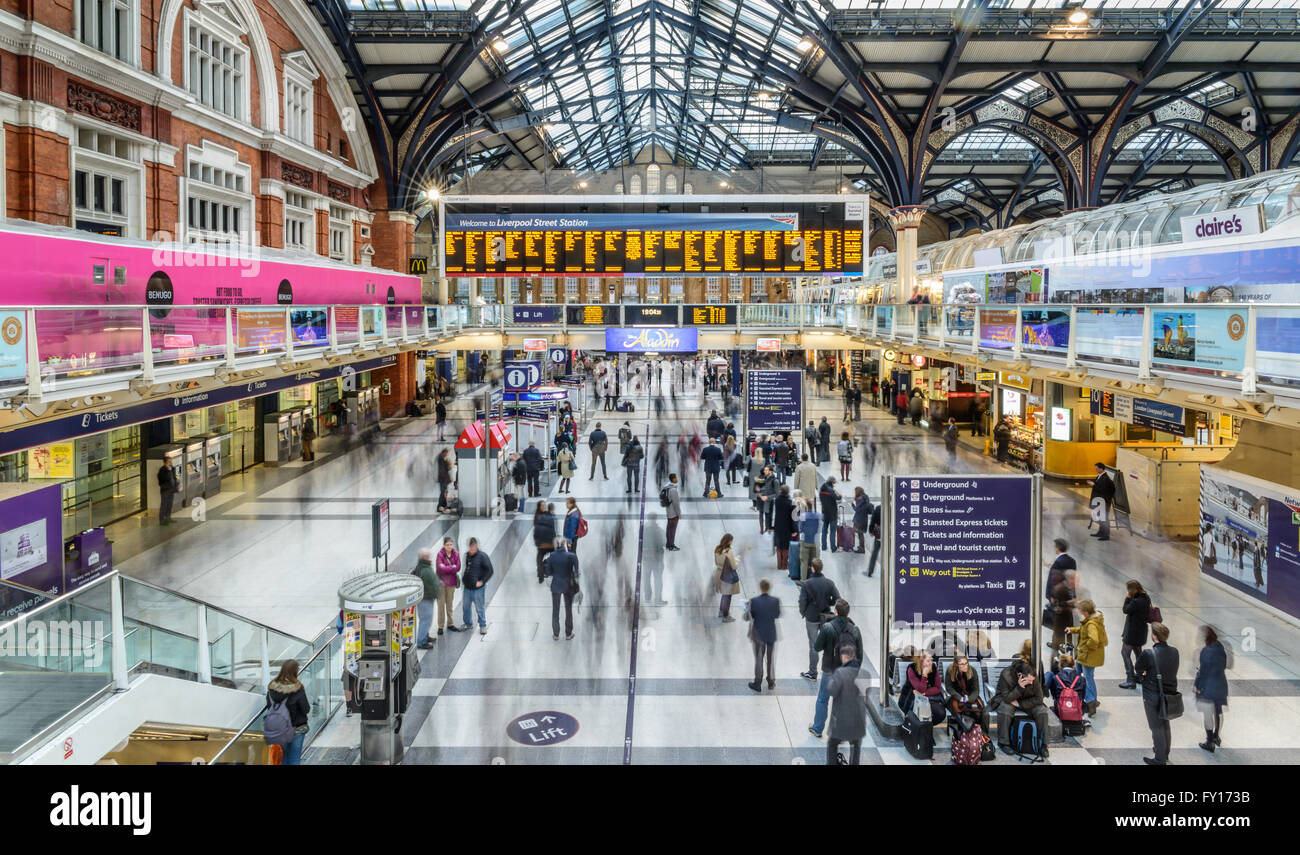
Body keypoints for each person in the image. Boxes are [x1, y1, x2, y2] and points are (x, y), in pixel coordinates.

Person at [810, 599, 864, 738]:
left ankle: (817, 729)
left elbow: (817, 647)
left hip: (829, 670)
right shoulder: (855, 629)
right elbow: (860, 654)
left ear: (836, 611)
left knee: (823, 699)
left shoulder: (828, 627)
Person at [992, 640, 1050, 757]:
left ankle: (1043, 744)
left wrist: (1020, 704)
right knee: (1005, 710)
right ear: (1020, 676)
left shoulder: (1032, 675)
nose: (1031, 682)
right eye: (1028, 680)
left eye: (1032, 680)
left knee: (1042, 711)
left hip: (1025, 701)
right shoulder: (1006, 675)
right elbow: (1007, 698)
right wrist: (1019, 687)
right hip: (1009, 698)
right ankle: (1004, 743)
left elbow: (1039, 699)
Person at [1134, 622, 1179, 765]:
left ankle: (1159, 759)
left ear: (1154, 636)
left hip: (1151, 694)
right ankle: (1164, 753)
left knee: (1155, 726)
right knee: (1165, 723)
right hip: (1169, 693)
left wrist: (1145, 673)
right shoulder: (1175, 651)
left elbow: (1138, 668)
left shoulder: (1148, 653)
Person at [798, 558, 840, 681]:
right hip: (826, 617)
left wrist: (804, 612)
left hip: (811, 618)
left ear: (812, 568)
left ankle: (812, 672)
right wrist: (829, 602)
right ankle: (829, 671)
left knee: (813, 645)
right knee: (828, 645)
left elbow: (802, 602)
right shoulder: (829, 583)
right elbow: (838, 598)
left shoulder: (807, 584)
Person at [825, 644, 866, 765]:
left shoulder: (840, 673)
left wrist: (830, 679)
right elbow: (866, 693)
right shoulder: (863, 673)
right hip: (858, 719)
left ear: (844, 657)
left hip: (842, 719)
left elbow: (832, 691)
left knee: (832, 744)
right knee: (856, 746)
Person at [267, 659, 311, 765]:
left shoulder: (272, 688)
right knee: (294, 759)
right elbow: (306, 709)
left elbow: (270, 708)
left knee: (283, 758)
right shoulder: (297, 688)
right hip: (297, 729)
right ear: (295, 671)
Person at [1194, 624, 1228, 752]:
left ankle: (1209, 741)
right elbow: (1224, 665)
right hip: (1221, 684)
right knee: (1218, 711)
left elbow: (1203, 671)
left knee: (1207, 713)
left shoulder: (1206, 651)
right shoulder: (1220, 647)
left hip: (1208, 687)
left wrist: (1198, 686)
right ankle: (1216, 736)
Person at [1069, 599, 1107, 716]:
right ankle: (1091, 700)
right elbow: (1083, 630)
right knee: (1078, 674)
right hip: (1084, 656)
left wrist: (1087, 646)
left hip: (1087, 656)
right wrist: (1072, 630)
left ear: (1085, 611)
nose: (1079, 611)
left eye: (1080, 609)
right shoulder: (1092, 619)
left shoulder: (1091, 624)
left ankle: (1091, 703)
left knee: (1088, 678)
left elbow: (1094, 639)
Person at [745, 578, 781, 693]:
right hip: (770, 632)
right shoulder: (775, 601)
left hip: (758, 634)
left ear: (760, 588)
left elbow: (747, 617)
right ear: (768, 588)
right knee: (770, 659)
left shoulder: (754, 601)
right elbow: (777, 615)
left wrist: (747, 608)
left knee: (759, 659)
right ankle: (771, 681)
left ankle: (758, 682)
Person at [542, 537, 580, 641]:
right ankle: (568, 633)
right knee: (568, 610)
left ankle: (556, 634)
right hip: (568, 586)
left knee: (555, 610)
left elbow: (548, 572)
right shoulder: (571, 556)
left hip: (556, 586)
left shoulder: (551, 557)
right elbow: (577, 572)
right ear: (564, 545)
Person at [1045, 538, 1077, 651]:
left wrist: (1049, 595)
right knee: (1068, 620)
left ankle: (1056, 644)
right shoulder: (1072, 561)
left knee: (1058, 622)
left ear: (1057, 548)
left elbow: (1052, 580)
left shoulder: (1058, 562)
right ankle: (1068, 643)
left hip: (1059, 595)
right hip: (1070, 595)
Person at [1118, 580, 1152, 690]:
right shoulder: (1146, 597)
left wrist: (1128, 598)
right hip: (1141, 632)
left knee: (1125, 653)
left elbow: (1125, 610)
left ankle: (1130, 679)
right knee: (1138, 653)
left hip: (1132, 632)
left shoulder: (1135, 601)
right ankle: (1140, 676)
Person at [944, 655, 990, 735]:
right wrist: (960, 698)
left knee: (981, 711)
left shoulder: (972, 671)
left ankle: (983, 734)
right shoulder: (950, 671)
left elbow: (976, 690)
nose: (965, 666)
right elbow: (949, 688)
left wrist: (969, 699)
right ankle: (962, 734)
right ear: (956, 665)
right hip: (956, 697)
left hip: (971, 696)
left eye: (966, 663)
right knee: (959, 709)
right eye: (962, 664)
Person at [459, 537, 492, 635]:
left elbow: (490, 571)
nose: (472, 548)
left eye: (473, 546)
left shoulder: (483, 556)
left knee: (479, 607)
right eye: (470, 546)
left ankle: (482, 625)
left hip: (478, 589)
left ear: (477, 546)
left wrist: (482, 581)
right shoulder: (467, 556)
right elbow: (464, 569)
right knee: (465, 607)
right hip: (467, 588)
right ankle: (468, 623)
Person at [905, 651, 947, 726]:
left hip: (930, 697)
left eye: (931, 659)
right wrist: (924, 675)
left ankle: (926, 727)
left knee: (941, 713)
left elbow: (938, 687)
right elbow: (920, 689)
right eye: (928, 660)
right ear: (921, 661)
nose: (931, 662)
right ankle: (922, 728)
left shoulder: (933, 667)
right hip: (913, 698)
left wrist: (925, 693)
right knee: (921, 711)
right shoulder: (911, 669)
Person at [1046, 652, 1088, 722]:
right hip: (1077, 709)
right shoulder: (1081, 679)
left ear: (1060, 665)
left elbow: (1054, 696)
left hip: (1060, 710)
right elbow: (1082, 696)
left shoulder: (1055, 678)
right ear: (1073, 665)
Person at [412, 548, 439, 649]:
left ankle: (425, 636)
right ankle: (421, 641)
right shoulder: (425, 569)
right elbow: (431, 585)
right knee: (426, 620)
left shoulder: (422, 566)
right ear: (426, 557)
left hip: (425, 598)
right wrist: (436, 593)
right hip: (426, 599)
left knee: (426, 619)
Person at [435, 537, 461, 634]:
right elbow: (440, 568)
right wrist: (452, 567)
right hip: (441, 584)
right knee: (441, 605)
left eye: (450, 544)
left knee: (449, 604)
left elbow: (458, 567)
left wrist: (446, 567)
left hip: (451, 584)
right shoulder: (440, 554)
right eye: (447, 545)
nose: (449, 546)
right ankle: (440, 626)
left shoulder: (456, 554)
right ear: (444, 545)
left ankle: (450, 624)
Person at [714, 533, 740, 622]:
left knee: (724, 594)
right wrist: (738, 560)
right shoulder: (729, 551)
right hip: (727, 576)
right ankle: (726, 616)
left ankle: (721, 611)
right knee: (728, 596)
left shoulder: (717, 549)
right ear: (729, 541)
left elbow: (716, 562)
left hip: (719, 573)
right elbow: (734, 566)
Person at [797, 498, 822, 583]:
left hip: (805, 541)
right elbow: (820, 529)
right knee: (814, 562)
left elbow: (800, 529)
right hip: (815, 542)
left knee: (804, 561)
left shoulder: (803, 516)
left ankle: (803, 580)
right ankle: (814, 580)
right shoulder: (818, 516)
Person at [532, 502, 557, 583]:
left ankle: (540, 575)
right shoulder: (551, 519)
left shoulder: (538, 520)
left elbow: (536, 533)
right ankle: (554, 572)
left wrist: (537, 542)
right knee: (554, 557)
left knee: (539, 559)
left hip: (542, 545)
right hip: (550, 544)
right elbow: (554, 532)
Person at [772, 484, 795, 570]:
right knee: (785, 547)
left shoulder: (777, 501)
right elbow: (793, 518)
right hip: (787, 528)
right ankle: (784, 565)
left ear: (780, 491)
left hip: (777, 527)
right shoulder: (790, 503)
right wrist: (794, 529)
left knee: (779, 546)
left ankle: (779, 564)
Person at [1090, 462, 1115, 540]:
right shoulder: (1100, 476)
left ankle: (1106, 535)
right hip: (1099, 501)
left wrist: (1093, 485)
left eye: (1097, 468)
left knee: (1104, 518)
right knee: (1101, 517)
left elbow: (1102, 490)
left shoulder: (1105, 478)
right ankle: (1100, 532)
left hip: (1104, 502)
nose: (1095, 469)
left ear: (1101, 469)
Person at [818, 476, 841, 553]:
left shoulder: (821, 489)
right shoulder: (831, 490)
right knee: (832, 531)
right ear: (831, 482)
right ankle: (833, 548)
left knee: (824, 529)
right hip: (832, 513)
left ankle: (824, 546)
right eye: (834, 483)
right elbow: (838, 498)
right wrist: (838, 493)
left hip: (824, 512)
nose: (834, 484)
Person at [157, 457, 180, 525]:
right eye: (169, 462)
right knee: (164, 505)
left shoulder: (172, 468)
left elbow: (174, 477)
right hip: (165, 490)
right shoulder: (162, 470)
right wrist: (168, 470)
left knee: (170, 504)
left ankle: (168, 517)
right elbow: (162, 480)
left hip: (171, 489)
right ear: (165, 463)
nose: (170, 463)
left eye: (171, 461)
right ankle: (162, 520)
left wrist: (176, 485)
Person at [850, 487, 871, 553]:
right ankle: (861, 546)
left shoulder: (860, 499)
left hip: (859, 519)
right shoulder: (865, 496)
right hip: (864, 518)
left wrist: (852, 504)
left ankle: (862, 549)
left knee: (860, 533)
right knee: (860, 533)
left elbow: (857, 509)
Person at [664, 473, 682, 551]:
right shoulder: (673, 490)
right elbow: (676, 504)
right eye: (676, 478)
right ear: (673, 479)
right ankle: (671, 545)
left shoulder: (667, 487)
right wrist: (679, 514)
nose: (677, 479)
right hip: (673, 513)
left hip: (668, 511)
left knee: (669, 529)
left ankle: (668, 544)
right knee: (672, 530)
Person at [865, 501, 882, 577]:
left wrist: (871, 530)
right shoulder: (895, 508)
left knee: (875, 552)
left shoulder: (879, 508)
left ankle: (870, 571)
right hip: (891, 533)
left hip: (879, 533)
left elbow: (873, 520)